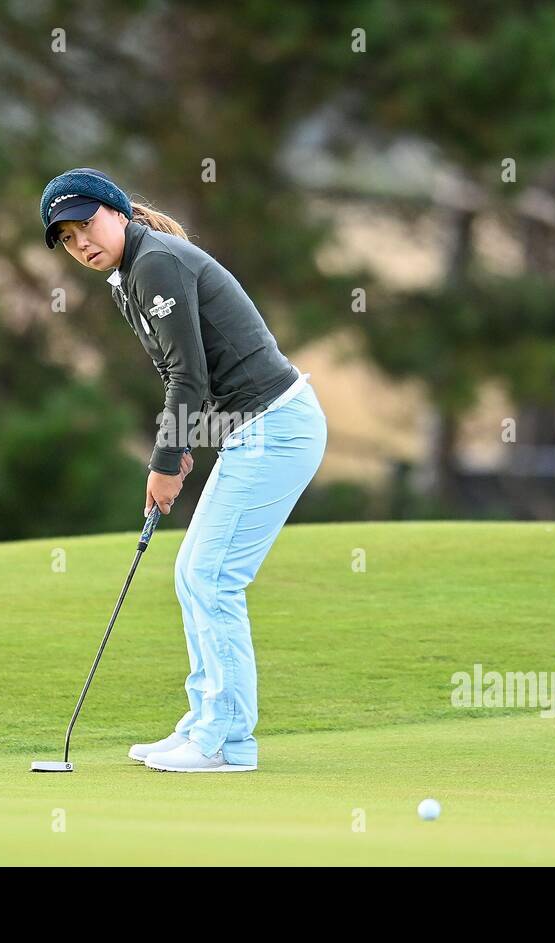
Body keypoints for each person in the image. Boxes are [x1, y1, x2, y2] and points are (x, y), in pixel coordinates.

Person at [39, 167, 327, 772]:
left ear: (116, 211)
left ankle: (223, 741)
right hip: (252, 432)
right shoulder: (130, 275)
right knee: (196, 574)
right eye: (66, 238)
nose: (80, 243)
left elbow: (187, 376)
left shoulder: (155, 263)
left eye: (85, 224)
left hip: (276, 428)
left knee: (212, 578)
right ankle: (207, 724)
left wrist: (166, 463)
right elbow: (194, 375)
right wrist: (191, 439)